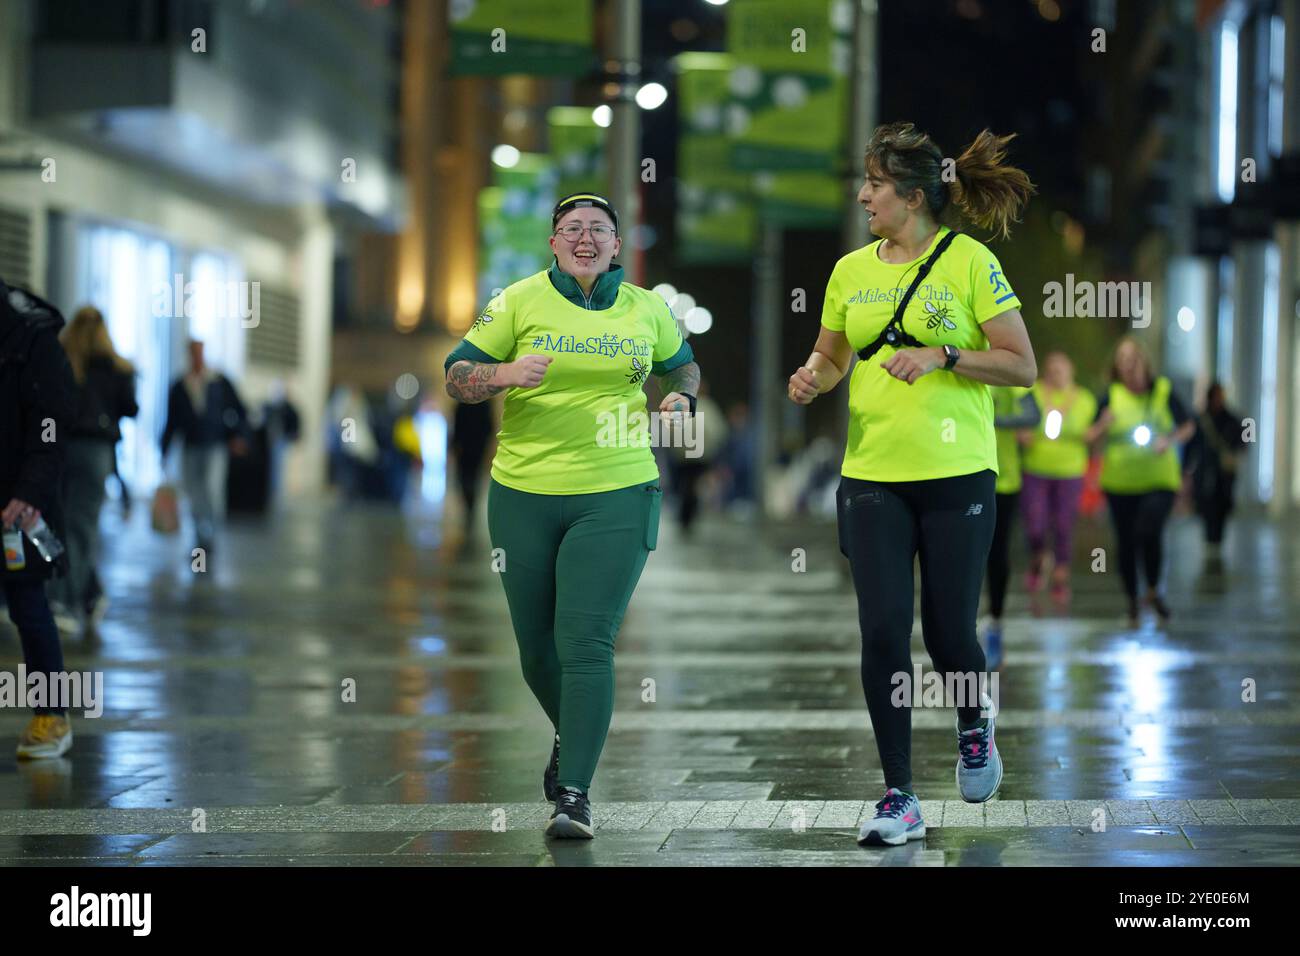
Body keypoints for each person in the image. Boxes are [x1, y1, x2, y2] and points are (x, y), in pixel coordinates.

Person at [787, 123, 1036, 846]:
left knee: (950, 631)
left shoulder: (970, 262)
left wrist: (944, 355)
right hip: (872, 476)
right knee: (882, 629)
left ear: (914, 195)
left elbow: (1019, 364)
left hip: (958, 472)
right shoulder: (849, 271)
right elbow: (833, 357)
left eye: (874, 183)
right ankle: (899, 794)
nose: (862, 195)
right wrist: (812, 378)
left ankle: (973, 722)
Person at [443, 192, 700, 839]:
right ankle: (572, 734)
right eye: (571, 229)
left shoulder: (648, 308)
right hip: (521, 494)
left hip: (616, 491)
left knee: (584, 643)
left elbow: (684, 367)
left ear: (617, 244)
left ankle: (576, 794)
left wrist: (679, 402)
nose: (585, 238)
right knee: (535, 654)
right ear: (553, 243)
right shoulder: (519, 300)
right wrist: (501, 373)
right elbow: (455, 376)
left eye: (599, 230)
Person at [0, 278, 77, 758]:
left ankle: (53, 717)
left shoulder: (33, 344)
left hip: (18, 508)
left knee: (28, 606)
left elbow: (50, 430)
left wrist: (27, 494)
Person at [1083, 336, 1195, 625]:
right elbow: (1089, 436)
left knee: (1149, 530)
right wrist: (1102, 425)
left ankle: (1155, 588)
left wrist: (1168, 440)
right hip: (1120, 480)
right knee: (1126, 541)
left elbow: (1188, 426)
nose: (1128, 364)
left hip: (1159, 477)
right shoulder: (1111, 395)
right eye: (1122, 359)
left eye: (1133, 357)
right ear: (1116, 366)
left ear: (1144, 360)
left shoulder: (1163, 390)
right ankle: (1133, 599)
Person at [51, 306, 138, 634]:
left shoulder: (61, 360)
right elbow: (131, 408)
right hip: (97, 452)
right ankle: (70, 601)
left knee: (59, 525)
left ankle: (86, 595)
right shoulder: (115, 367)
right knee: (81, 527)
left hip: (60, 448)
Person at [1018, 350, 1097, 605]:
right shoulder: (1034, 393)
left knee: (1064, 523)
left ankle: (1061, 573)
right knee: (1035, 520)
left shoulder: (1083, 399)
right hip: (1036, 467)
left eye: (1061, 369)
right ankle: (1039, 557)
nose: (1056, 374)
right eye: (1051, 369)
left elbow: (1087, 432)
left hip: (1070, 470)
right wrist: (1023, 433)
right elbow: (1023, 421)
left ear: (1071, 371)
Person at [160, 340, 249, 554]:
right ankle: (199, 533)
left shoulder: (219, 382)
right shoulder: (180, 386)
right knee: (192, 490)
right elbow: (171, 422)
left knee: (211, 489)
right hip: (191, 446)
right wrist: (163, 449)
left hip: (214, 445)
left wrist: (238, 436)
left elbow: (239, 410)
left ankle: (210, 533)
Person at [983, 385, 1039, 669]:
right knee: (961, 555)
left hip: (1003, 479)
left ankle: (995, 622)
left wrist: (987, 416)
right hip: (957, 475)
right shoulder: (946, 361)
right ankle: (959, 631)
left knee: (996, 552)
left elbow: (1033, 415)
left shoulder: (1004, 372)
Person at [1187, 382, 1245, 563]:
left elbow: (1242, 442)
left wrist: (1237, 451)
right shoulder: (1200, 419)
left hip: (1224, 471)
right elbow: (1191, 445)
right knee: (1206, 503)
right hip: (1205, 469)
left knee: (1223, 503)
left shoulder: (1232, 419)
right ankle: (1210, 537)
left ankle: (1217, 538)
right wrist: (1186, 468)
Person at [448, 398, 493, 538]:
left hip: (466, 448)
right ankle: (470, 506)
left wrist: (454, 445)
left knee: (465, 477)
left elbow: (456, 427)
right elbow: (488, 427)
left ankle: (469, 506)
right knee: (472, 477)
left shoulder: (462, 403)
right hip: (475, 447)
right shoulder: (485, 404)